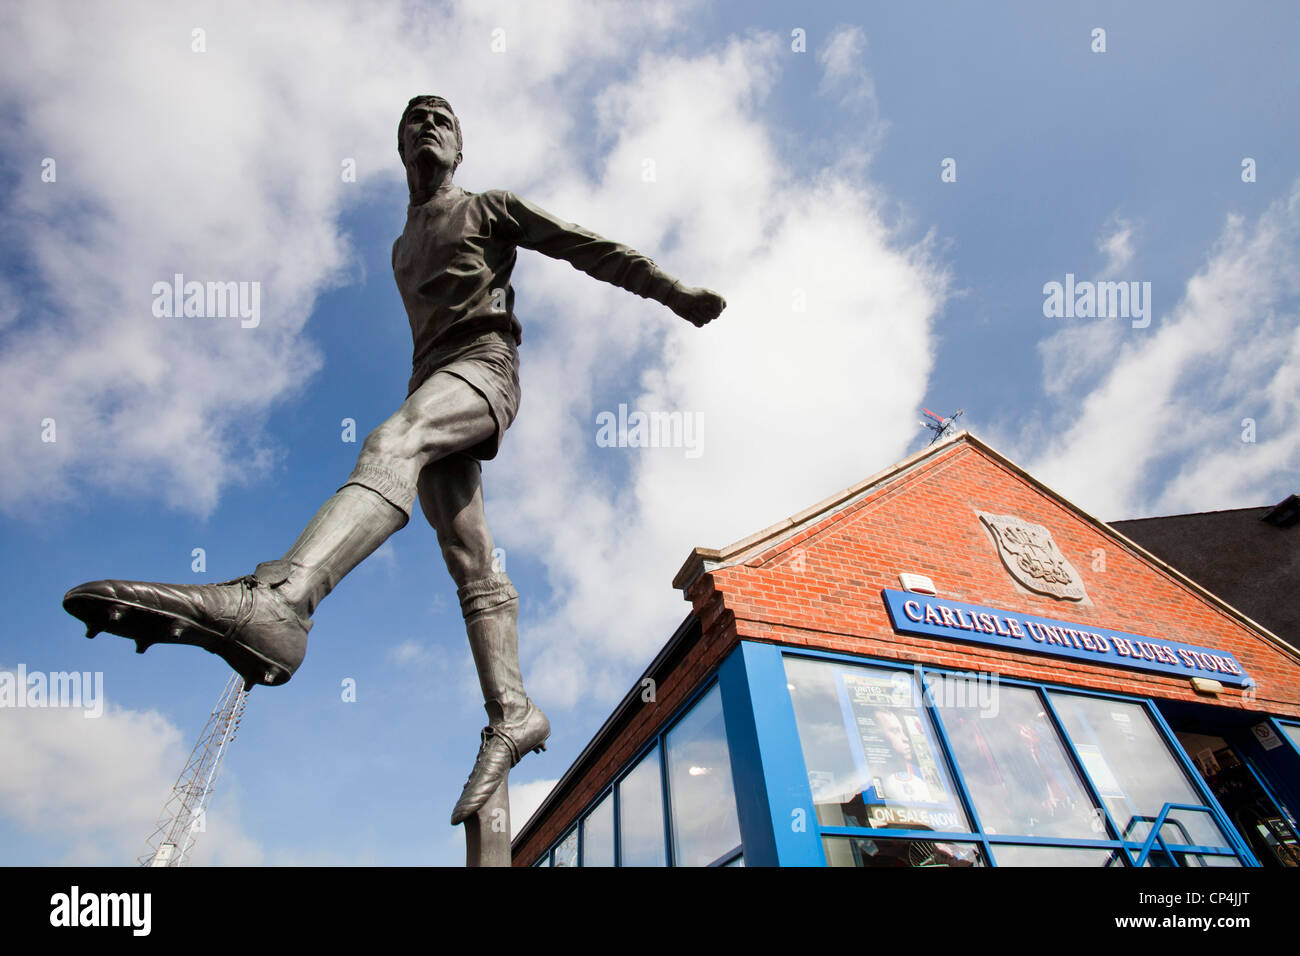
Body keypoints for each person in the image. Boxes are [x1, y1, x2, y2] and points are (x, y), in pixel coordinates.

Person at [62, 94, 726, 826]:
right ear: (400, 147)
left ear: (462, 147)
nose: (429, 126)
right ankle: (514, 710)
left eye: (444, 118)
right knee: (470, 559)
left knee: (392, 441)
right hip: (434, 379)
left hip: (485, 369)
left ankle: (285, 600)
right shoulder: (399, 247)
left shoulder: (491, 207)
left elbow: (584, 246)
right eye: (415, 119)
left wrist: (673, 292)